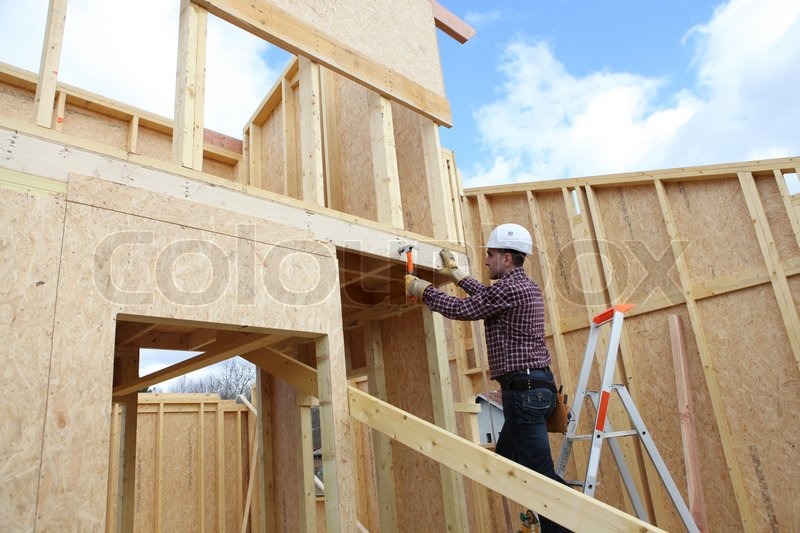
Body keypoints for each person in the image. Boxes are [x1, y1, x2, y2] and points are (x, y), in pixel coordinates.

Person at [405, 223, 571, 533]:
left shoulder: (508, 289)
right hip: (536, 389)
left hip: (525, 392)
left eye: (491, 255)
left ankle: (568, 524)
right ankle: (560, 516)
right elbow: (487, 296)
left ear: (507, 259)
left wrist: (423, 290)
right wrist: (458, 277)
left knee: (542, 479)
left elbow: (464, 309)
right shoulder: (523, 287)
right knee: (507, 458)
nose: (486, 261)